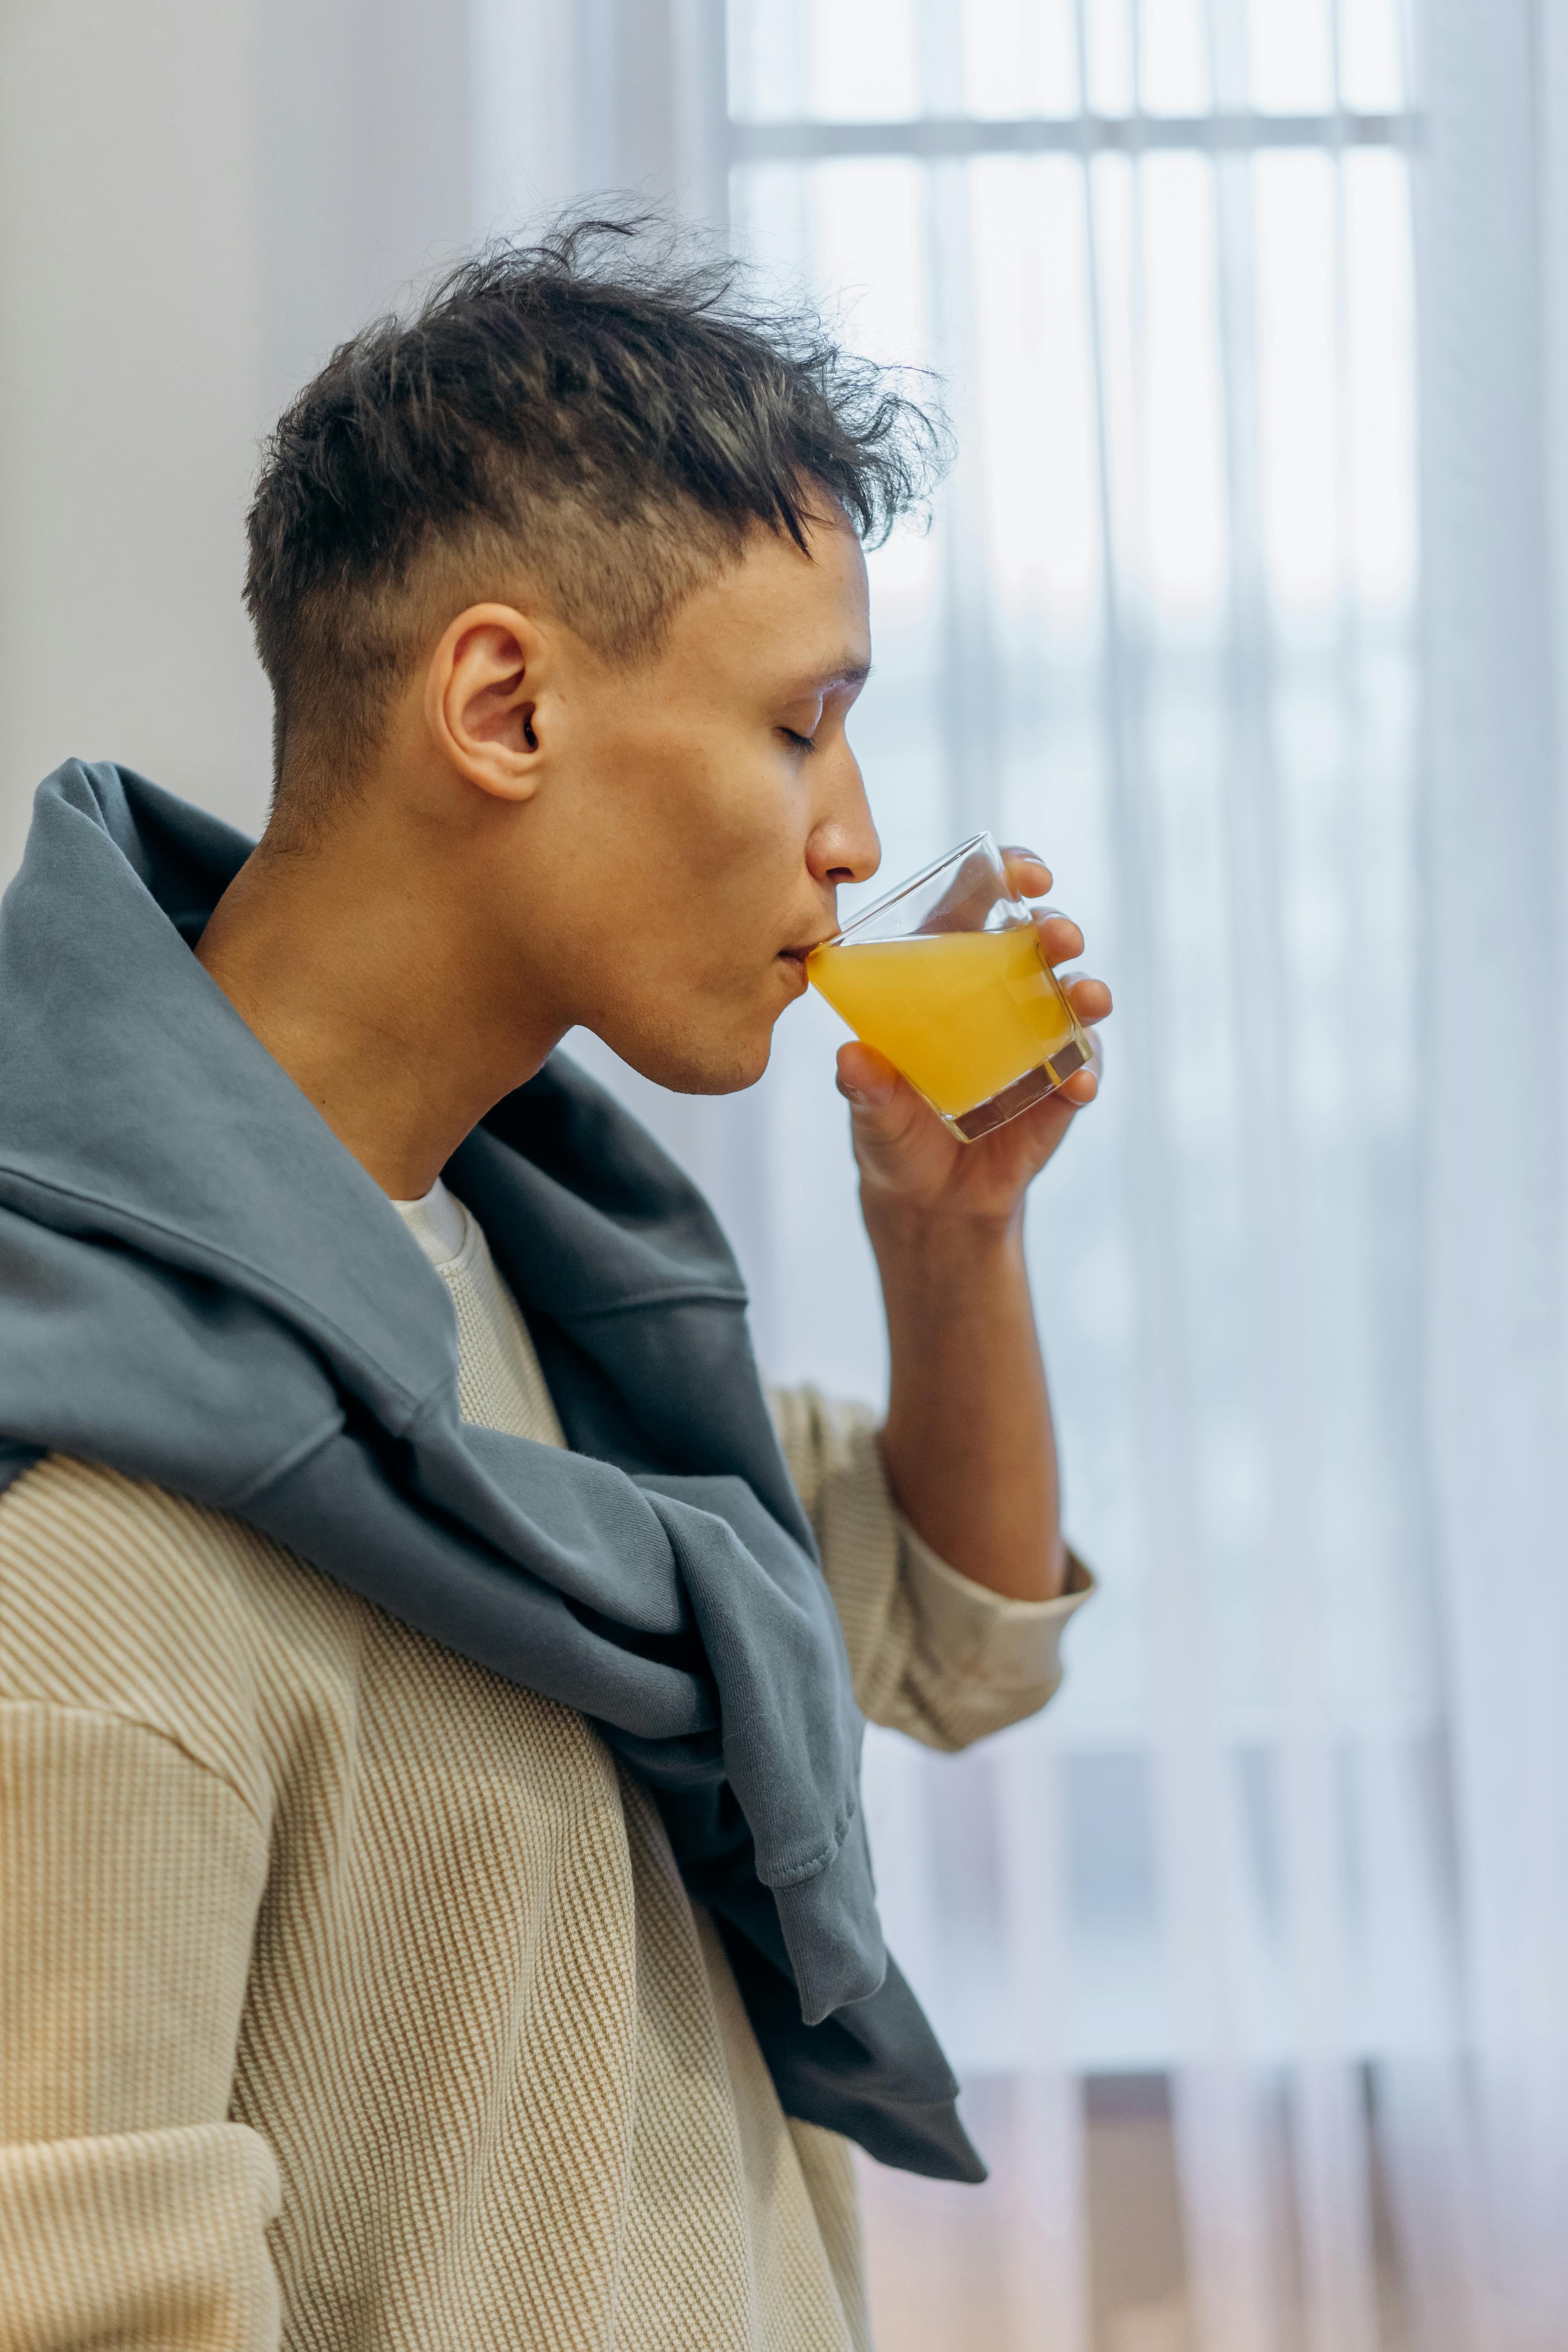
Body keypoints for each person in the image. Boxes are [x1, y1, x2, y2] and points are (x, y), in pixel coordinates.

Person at [0, 220, 1107, 2352]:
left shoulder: (520, 1266)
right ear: (503, 705)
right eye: (804, 728)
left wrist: (949, 1242)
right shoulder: (90, 1519)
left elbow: (962, 1643)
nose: (858, 838)